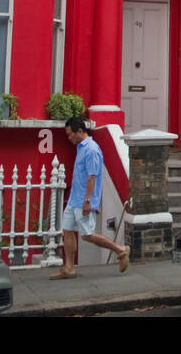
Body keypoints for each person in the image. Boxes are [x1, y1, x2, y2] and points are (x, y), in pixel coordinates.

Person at [50, 116, 129, 279]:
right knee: (67, 230)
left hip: (83, 200)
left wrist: (88, 201)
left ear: (80, 131)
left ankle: (120, 250)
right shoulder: (81, 147)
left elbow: (92, 177)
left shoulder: (91, 149)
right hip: (74, 199)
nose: (69, 137)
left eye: (71, 134)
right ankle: (69, 268)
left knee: (87, 235)